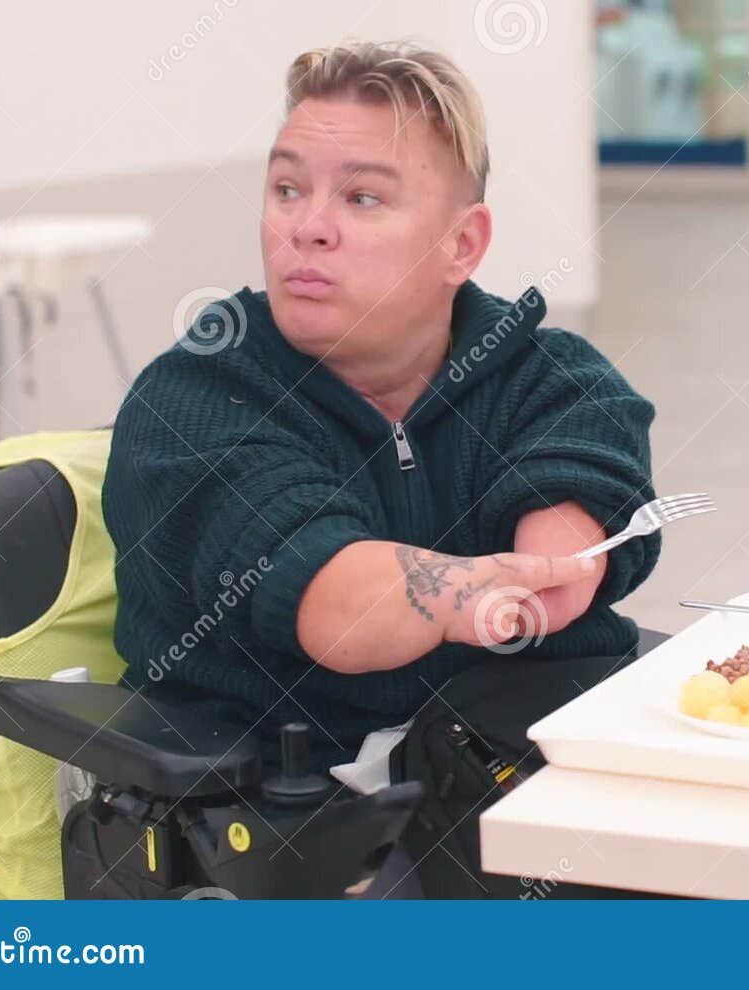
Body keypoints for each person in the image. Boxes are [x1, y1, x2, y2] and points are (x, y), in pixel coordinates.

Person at [101, 41, 661, 767]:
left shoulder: (552, 376)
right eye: (287, 190)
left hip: (523, 775)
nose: (308, 227)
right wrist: (479, 592)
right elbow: (343, 610)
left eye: (362, 197)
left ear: (462, 245)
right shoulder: (192, 402)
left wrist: (542, 580)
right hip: (293, 830)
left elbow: (566, 550)